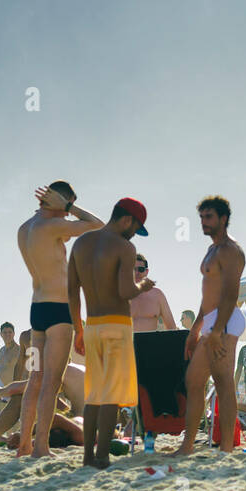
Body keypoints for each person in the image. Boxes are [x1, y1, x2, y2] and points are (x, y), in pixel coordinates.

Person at [16, 181, 104, 459]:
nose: (68, 217)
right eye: (66, 210)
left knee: (35, 380)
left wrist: (59, 209)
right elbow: (98, 224)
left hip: (37, 311)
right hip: (59, 311)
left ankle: (24, 446)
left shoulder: (24, 229)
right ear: (57, 203)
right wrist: (67, 207)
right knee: (52, 382)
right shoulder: (52, 226)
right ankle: (40, 446)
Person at [67, 197, 153, 468]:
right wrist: (144, 286)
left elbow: (71, 291)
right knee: (111, 395)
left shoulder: (80, 244)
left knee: (94, 394)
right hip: (116, 324)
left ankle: (87, 457)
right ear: (126, 219)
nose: (133, 234)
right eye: (135, 227)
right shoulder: (124, 247)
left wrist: (78, 329)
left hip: (91, 325)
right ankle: (102, 456)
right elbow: (126, 291)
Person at [176, 196, 246, 456]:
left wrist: (217, 331)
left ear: (223, 219)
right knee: (194, 381)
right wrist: (195, 328)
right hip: (213, 319)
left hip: (225, 321)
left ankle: (227, 448)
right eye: (201, 217)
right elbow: (208, 295)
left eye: (209, 217)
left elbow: (230, 294)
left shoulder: (230, 250)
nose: (203, 222)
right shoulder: (212, 250)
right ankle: (187, 446)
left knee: (223, 382)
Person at [130, 255, 175, 332]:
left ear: (146, 272)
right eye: (134, 269)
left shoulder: (157, 295)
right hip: (124, 343)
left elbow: (171, 327)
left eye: (141, 269)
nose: (137, 272)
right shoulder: (120, 295)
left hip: (150, 343)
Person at [0, 323, 20, 410]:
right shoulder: (1, 351)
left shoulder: (19, 350)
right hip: (2, 392)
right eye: (4, 332)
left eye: (10, 332)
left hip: (14, 393)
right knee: (3, 421)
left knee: (16, 422)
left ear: (14, 333)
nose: (7, 335)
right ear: (1, 334)